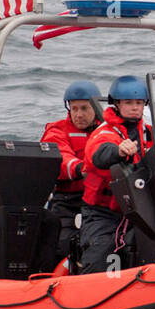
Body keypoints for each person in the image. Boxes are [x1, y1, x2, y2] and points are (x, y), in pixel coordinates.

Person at [79, 75, 155, 273]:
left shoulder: (149, 132)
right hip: (103, 213)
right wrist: (119, 151)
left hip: (141, 211)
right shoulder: (105, 132)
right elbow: (99, 153)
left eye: (139, 103)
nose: (135, 107)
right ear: (116, 104)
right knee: (102, 250)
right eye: (128, 102)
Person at [40, 81, 102, 267]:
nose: (79, 114)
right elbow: (60, 156)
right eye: (74, 108)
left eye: (84, 108)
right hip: (68, 201)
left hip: (100, 201)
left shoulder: (107, 130)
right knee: (61, 245)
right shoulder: (57, 130)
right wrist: (79, 168)